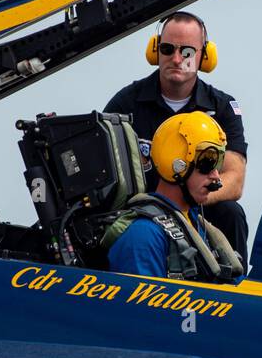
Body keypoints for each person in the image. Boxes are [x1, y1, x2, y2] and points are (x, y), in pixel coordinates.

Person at [104, 11, 249, 263]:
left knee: (231, 213)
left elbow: (234, 180)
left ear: (204, 56)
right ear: (155, 51)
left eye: (188, 52)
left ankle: (234, 292)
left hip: (198, 208)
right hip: (139, 213)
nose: (177, 58)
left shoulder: (222, 107)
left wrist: (187, 202)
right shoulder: (126, 103)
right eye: (168, 49)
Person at [104, 111, 243, 282]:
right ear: (177, 164)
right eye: (208, 162)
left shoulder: (195, 226)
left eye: (218, 163)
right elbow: (141, 306)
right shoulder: (144, 236)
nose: (216, 176)